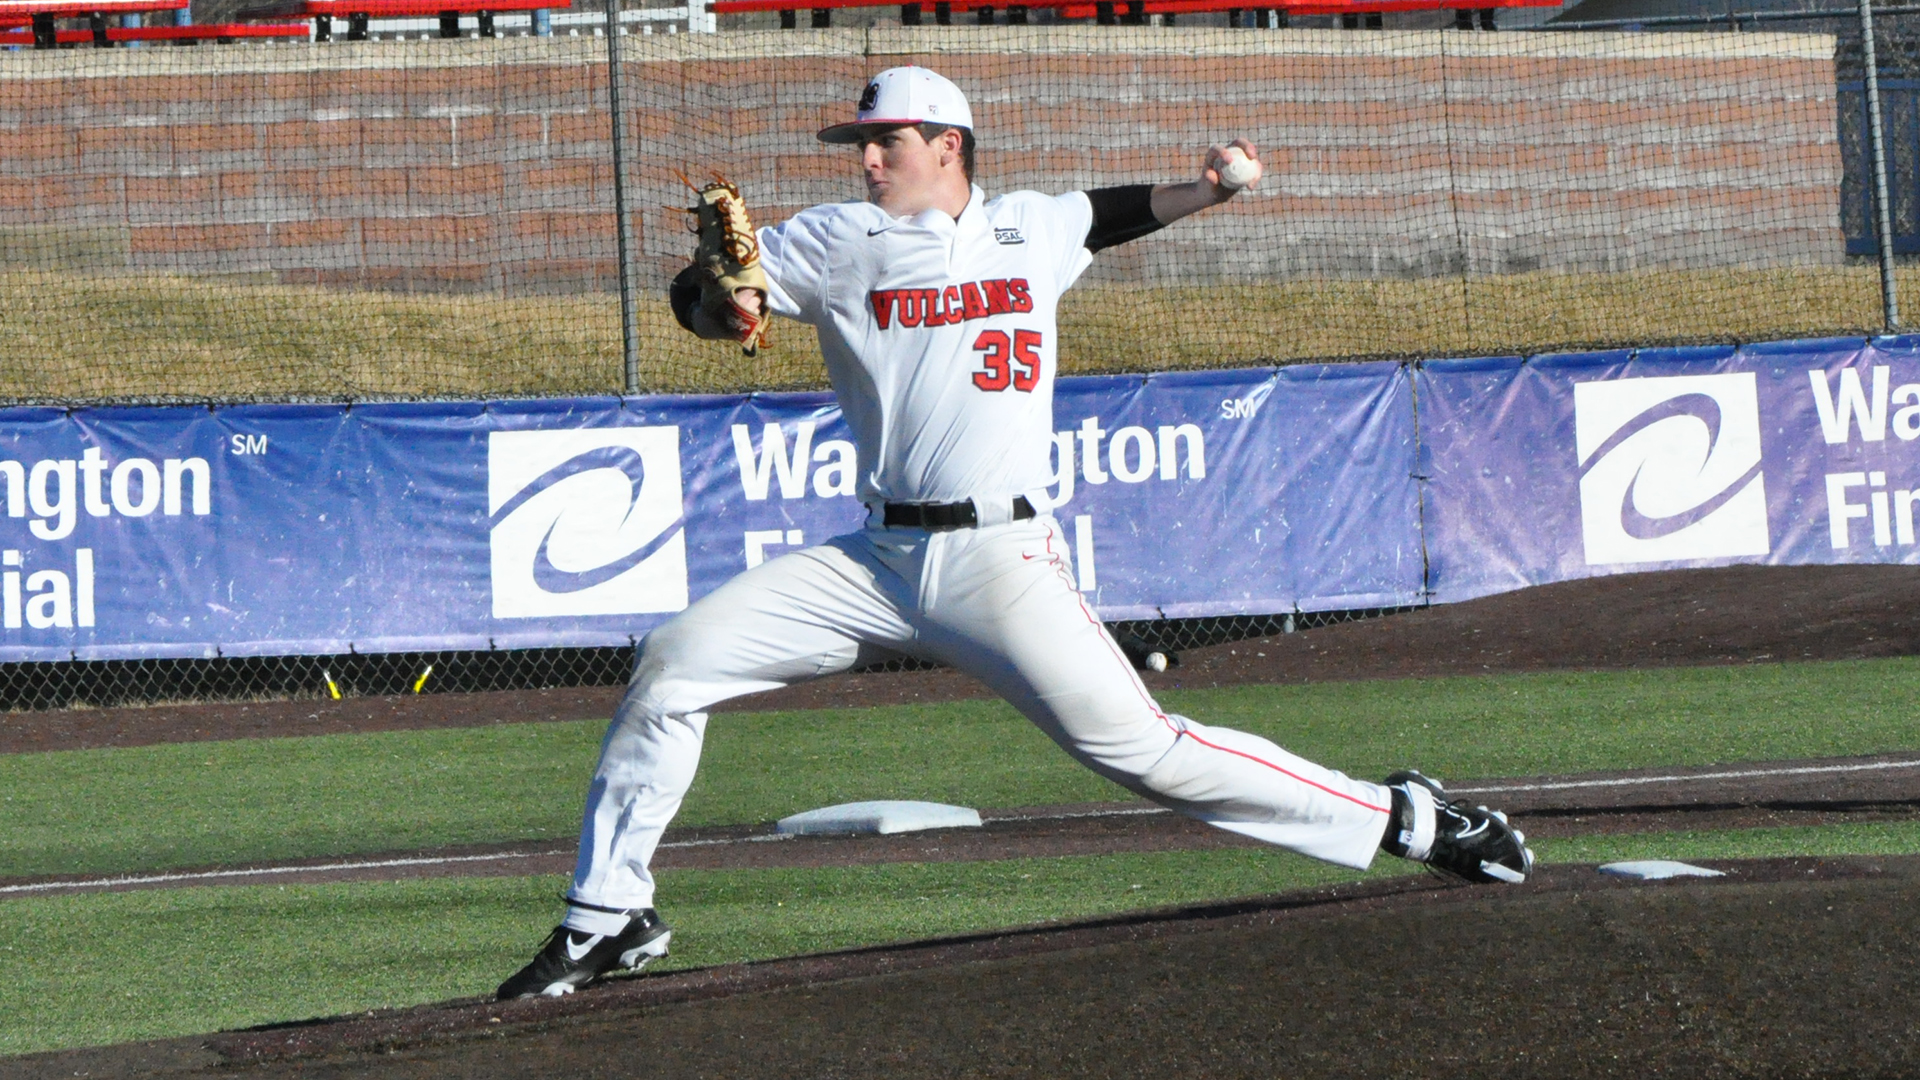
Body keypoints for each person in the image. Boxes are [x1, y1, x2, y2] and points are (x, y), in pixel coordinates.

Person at [497, 66, 1532, 1001]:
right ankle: (607, 914)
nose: (865, 158)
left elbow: (1113, 214)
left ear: (949, 145)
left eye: (887, 141)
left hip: (1002, 560)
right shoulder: (832, 238)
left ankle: (1405, 817)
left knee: (1150, 753)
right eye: (860, 143)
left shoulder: (1029, 227)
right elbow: (713, 292)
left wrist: (1209, 189)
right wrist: (715, 309)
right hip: (877, 559)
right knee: (676, 662)